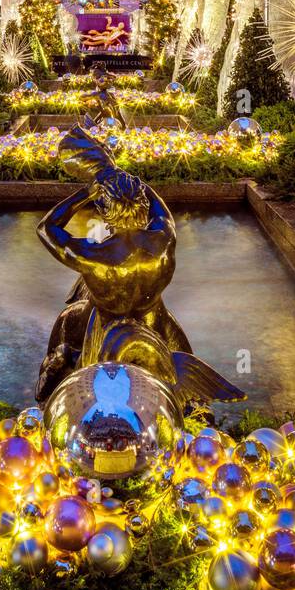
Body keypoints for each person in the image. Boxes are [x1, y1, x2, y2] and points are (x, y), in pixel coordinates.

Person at [35, 128, 242, 407]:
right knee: (193, 397)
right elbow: (163, 212)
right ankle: (193, 411)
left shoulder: (95, 256)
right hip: (156, 318)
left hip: (103, 324)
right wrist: (134, 182)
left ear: (105, 210)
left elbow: (47, 228)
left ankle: (48, 390)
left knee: (65, 322)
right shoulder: (163, 242)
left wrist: (87, 191)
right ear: (142, 204)